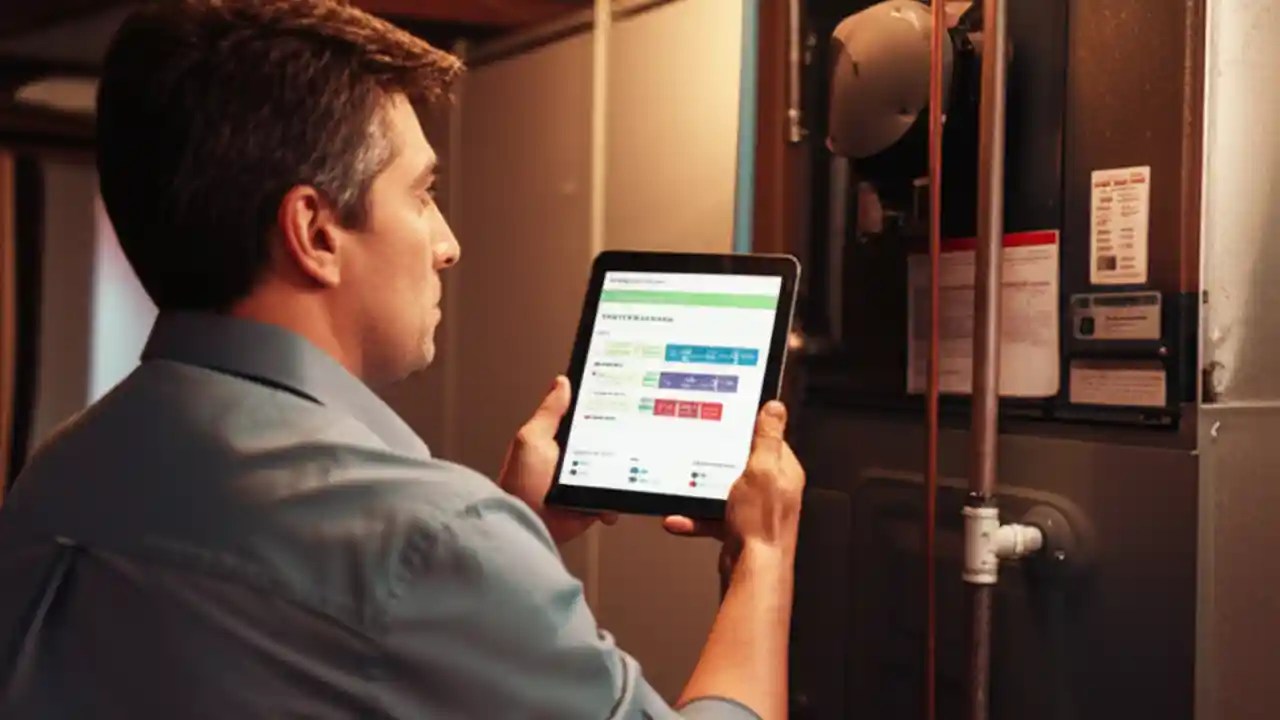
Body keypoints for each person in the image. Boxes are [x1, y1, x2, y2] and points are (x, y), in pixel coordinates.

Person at [0, 1, 806, 718]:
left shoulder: (56, 477)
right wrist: (762, 558)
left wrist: (513, 539)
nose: (448, 245)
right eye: (421, 193)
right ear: (315, 233)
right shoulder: (433, 539)